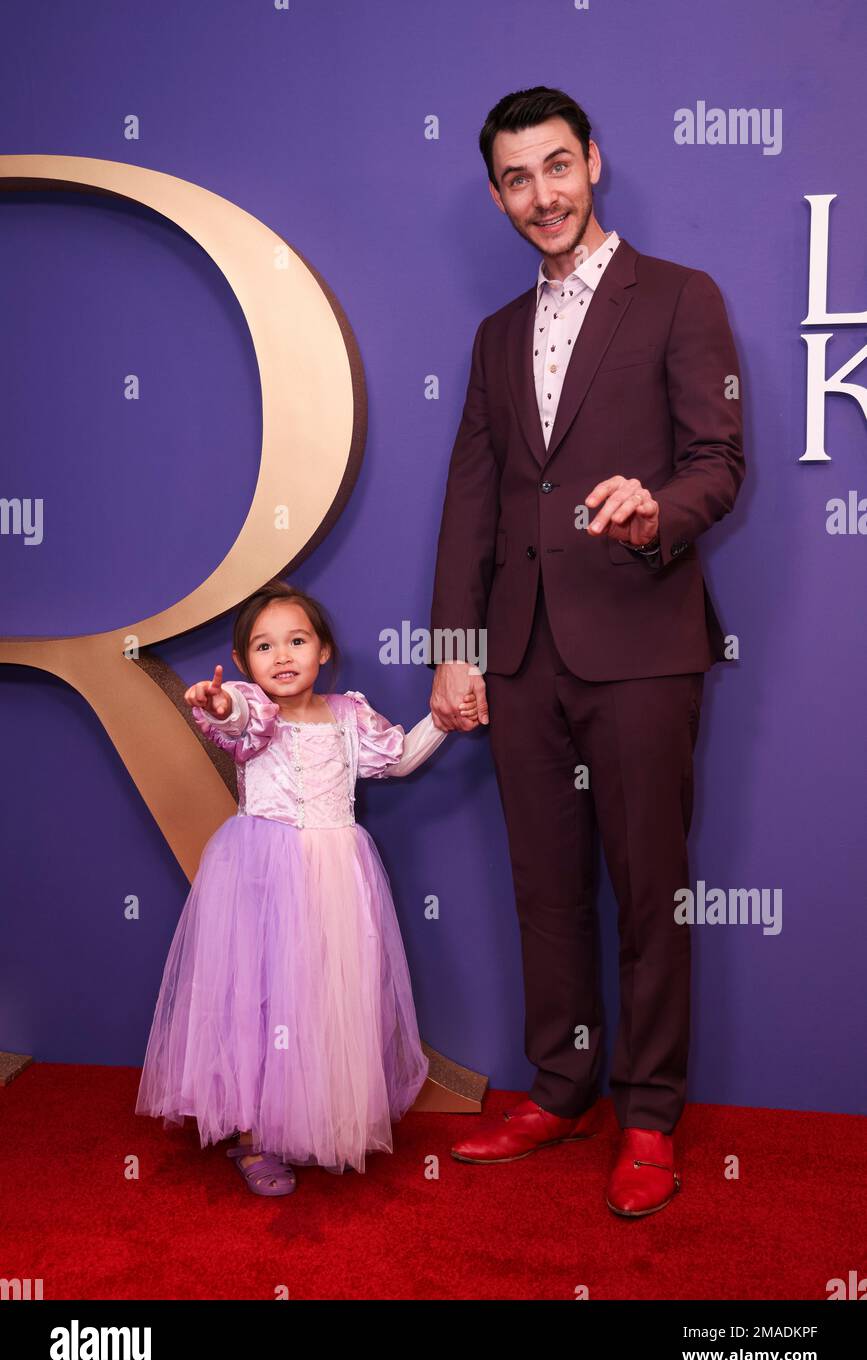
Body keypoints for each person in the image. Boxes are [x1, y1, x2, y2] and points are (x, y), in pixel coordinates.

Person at [428, 87, 745, 1217]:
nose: (541, 196)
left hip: (643, 642)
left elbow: (720, 462)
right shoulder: (494, 336)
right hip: (519, 656)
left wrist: (656, 510)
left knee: (649, 890)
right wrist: (458, 646)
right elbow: (473, 499)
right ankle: (561, 1089)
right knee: (545, 890)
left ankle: (649, 1113)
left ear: (594, 163)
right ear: (499, 192)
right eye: (516, 179)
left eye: (557, 168)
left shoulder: (680, 297)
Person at [135, 579, 478, 1195]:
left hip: (337, 873)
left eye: (297, 641)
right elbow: (235, 720)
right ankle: (252, 1137)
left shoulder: (348, 714)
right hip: (261, 875)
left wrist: (442, 722)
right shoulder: (254, 713)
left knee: (323, 996)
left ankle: (311, 1119)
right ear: (243, 665)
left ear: (323, 652)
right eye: (264, 648)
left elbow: (396, 758)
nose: (283, 656)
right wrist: (218, 706)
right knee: (259, 997)